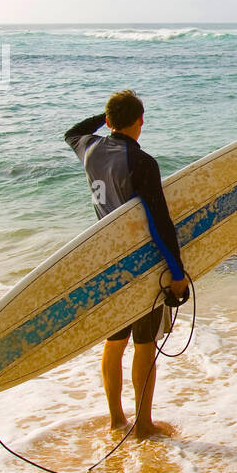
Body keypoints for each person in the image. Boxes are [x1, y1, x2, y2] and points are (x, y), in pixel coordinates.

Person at [64, 90, 188, 438]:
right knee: (145, 342)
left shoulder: (87, 148)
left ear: (108, 121)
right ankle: (144, 424)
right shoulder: (142, 161)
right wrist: (177, 273)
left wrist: (106, 120)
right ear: (141, 121)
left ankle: (117, 420)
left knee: (115, 341)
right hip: (142, 264)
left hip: (106, 260)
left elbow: (71, 132)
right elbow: (159, 221)